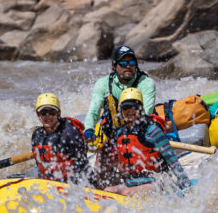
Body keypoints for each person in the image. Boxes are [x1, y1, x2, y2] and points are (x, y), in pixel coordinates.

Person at [83, 45, 156, 186]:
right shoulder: (103, 84)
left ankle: (131, 183)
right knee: (99, 172)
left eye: (131, 62)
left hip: (139, 135)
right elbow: (93, 111)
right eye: (123, 63)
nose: (128, 66)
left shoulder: (146, 83)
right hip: (113, 136)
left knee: (125, 168)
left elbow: (146, 114)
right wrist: (89, 130)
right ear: (114, 66)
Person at [104, 88, 191, 197]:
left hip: (157, 183)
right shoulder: (120, 133)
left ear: (140, 108)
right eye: (126, 107)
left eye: (134, 107)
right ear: (121, 110)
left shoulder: (152, 131)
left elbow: (173, 162)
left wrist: (187, 188)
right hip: (131, 184)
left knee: (127, 192)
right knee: (108, 190)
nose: (130, 111)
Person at [31, 93, 91, 183]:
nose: (48, 116)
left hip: (73, 181)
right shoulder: (36, 135)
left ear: (58, 113)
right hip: (48, 181)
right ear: (38, 114)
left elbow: (82, 164)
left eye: (52, 112)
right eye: (43, 113)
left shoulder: (70, 133)